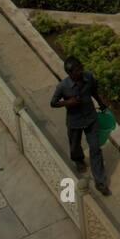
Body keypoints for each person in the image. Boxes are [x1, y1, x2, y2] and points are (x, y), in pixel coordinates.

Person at [50, 56, 111, 195]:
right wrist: (67, 102)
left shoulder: (88, 77)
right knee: (75, 145)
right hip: (74, 121)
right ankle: (78, 160)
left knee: (95, 148)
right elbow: (53, 103)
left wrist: (101, 104)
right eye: (77, 70)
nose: (81, 71)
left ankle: (100, 182)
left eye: (81, 67)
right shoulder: (63, 86)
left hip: (91, 118)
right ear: (70, 73)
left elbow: (94, 90)